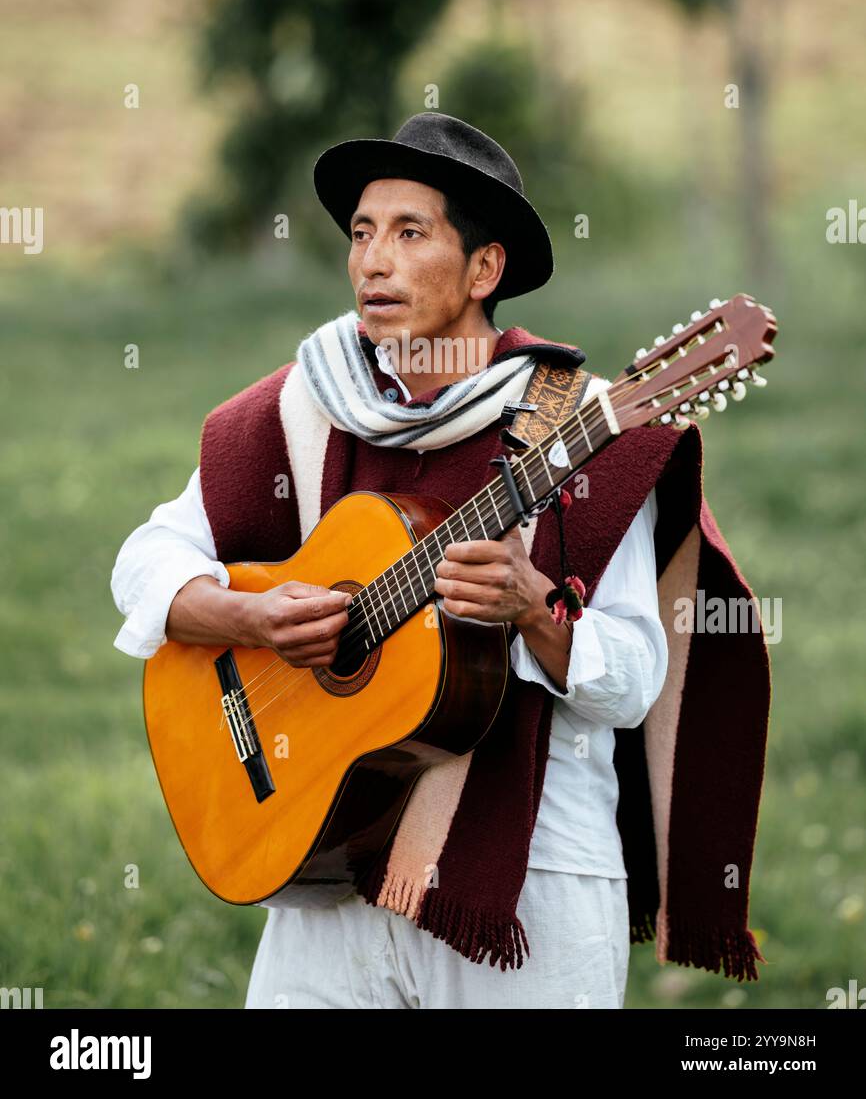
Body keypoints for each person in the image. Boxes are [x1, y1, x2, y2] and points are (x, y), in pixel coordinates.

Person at [111, 112, 769, 1009]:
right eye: (361, 233)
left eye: (410, 233)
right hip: (327, 877)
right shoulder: (307, 406)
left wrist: (538, 611)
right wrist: (247, 616)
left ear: (484, 269)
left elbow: (637, 682)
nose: (372, 261)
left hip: (526, 885)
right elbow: (149, 559)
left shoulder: (584, 430)